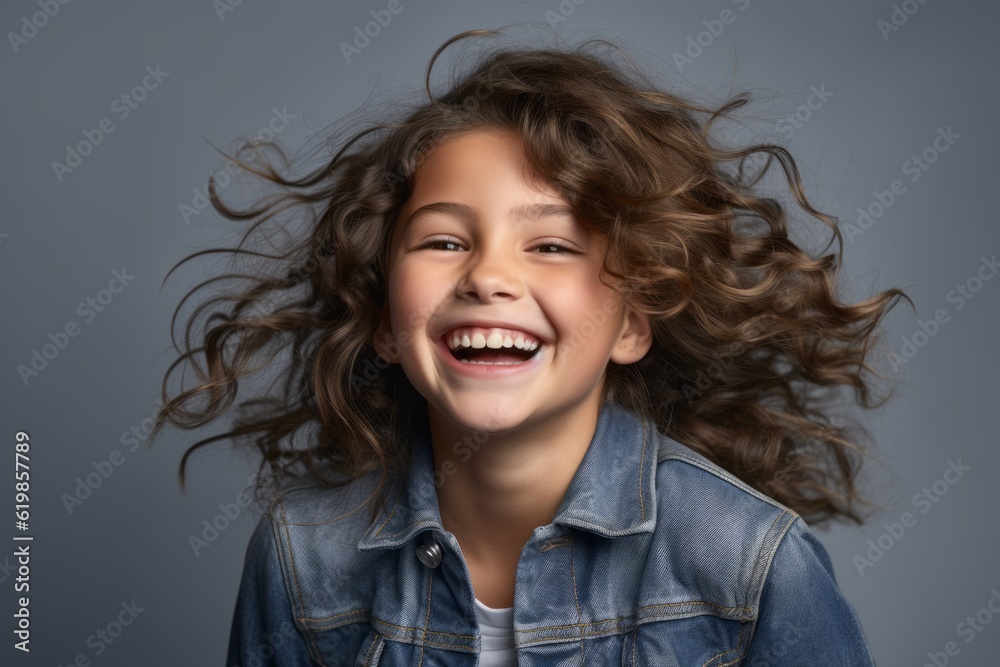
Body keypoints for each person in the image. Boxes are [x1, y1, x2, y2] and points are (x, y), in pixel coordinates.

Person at [152, 26, 911, 665]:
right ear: (384, 317)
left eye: (549, 245)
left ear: (632, 322)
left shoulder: (753, 566)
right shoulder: (301, 561)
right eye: (445, 240)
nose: (488, 275)